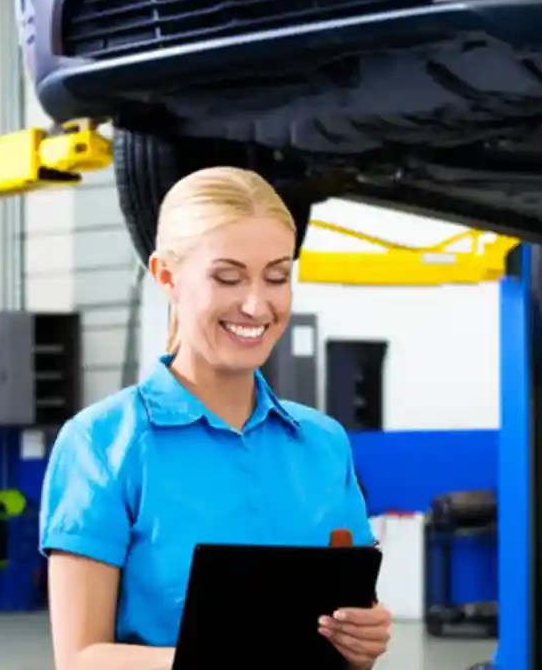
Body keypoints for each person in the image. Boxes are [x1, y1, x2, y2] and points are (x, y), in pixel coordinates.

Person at [38, 166, 393, 670]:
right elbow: (80, 660)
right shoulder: (101, 443)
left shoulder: (323, 443)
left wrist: (364, 637)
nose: (256, 303)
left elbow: (347, 626)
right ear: (167, 277)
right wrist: (223, 660)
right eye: (227, 277)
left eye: (277, 276)